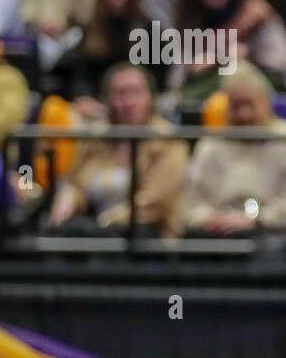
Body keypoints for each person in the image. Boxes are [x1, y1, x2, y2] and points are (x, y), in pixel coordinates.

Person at [46, 64, 187, 238]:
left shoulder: (168, 140)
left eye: (136, 92)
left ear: (151, 98)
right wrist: (68, 200)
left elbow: (156, 202)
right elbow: (75, 184)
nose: (128, 102)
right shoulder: (95, 136)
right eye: (120, 94)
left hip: (145, 231)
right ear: (107, 100)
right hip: (93, 229)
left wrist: (108, 221)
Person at [182, 63, 286, 238]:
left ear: (267, 103)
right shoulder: (211, 145)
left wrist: (254, 219)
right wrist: (211, 218)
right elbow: (190, 205)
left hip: (271, 233)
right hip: (216, 232)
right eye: (236, 106)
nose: (244, 115)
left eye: (249, 105)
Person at [55, 0, 151, 102]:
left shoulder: (150, 30)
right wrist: (82, 97)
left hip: (138, 111)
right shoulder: (91, 29)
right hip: (97, 111)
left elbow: (158, 81)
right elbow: (80, 73)